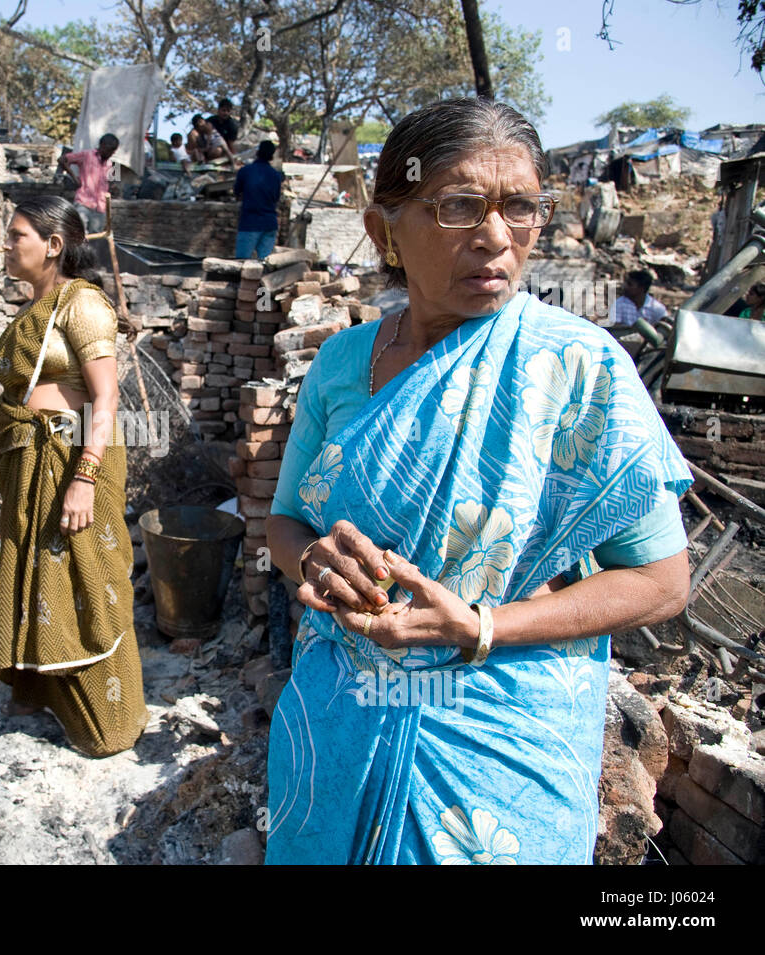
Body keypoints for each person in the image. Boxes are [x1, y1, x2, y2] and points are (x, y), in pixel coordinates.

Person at [264, 98, 691, 864]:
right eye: (458, 206)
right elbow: (285, 521)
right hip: (336, 725)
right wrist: (314, 561)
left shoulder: (579, 366)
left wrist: (482, 627)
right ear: (383, 230)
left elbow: (661, 580)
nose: (497, 237)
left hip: (497, 752)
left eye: (520, 207)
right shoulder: (339, 367)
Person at [0, 196, 147, 758]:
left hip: (74, 460)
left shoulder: (84, 305)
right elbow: (13, 400)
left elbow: (106, 399)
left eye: (16, 236)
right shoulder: (33, 310)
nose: (7, 245)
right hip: (27, 463)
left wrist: (85, 478)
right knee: (38, 578)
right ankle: (52, 695)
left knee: (86, 582)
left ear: (53, 245)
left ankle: (113, 721)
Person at [58, 133, 119, 234]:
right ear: (102, 145)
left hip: (100, 207)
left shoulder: (112, 164)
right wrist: (74, 178)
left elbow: (113, 184)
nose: (111, 153)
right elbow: (62, 160)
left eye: (113, 151)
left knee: (96, 239)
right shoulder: (87, 155)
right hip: (83, 203)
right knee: (79, 234)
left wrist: (113, 188)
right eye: (110, 150)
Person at [233, 140, 284, 259]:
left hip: (250, 222)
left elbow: (237, 192)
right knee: (265, 264)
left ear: (257, 152)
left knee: (241, 263)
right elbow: (276, 198)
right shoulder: (276, 175)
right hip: (269, 223)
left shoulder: (246, 171)